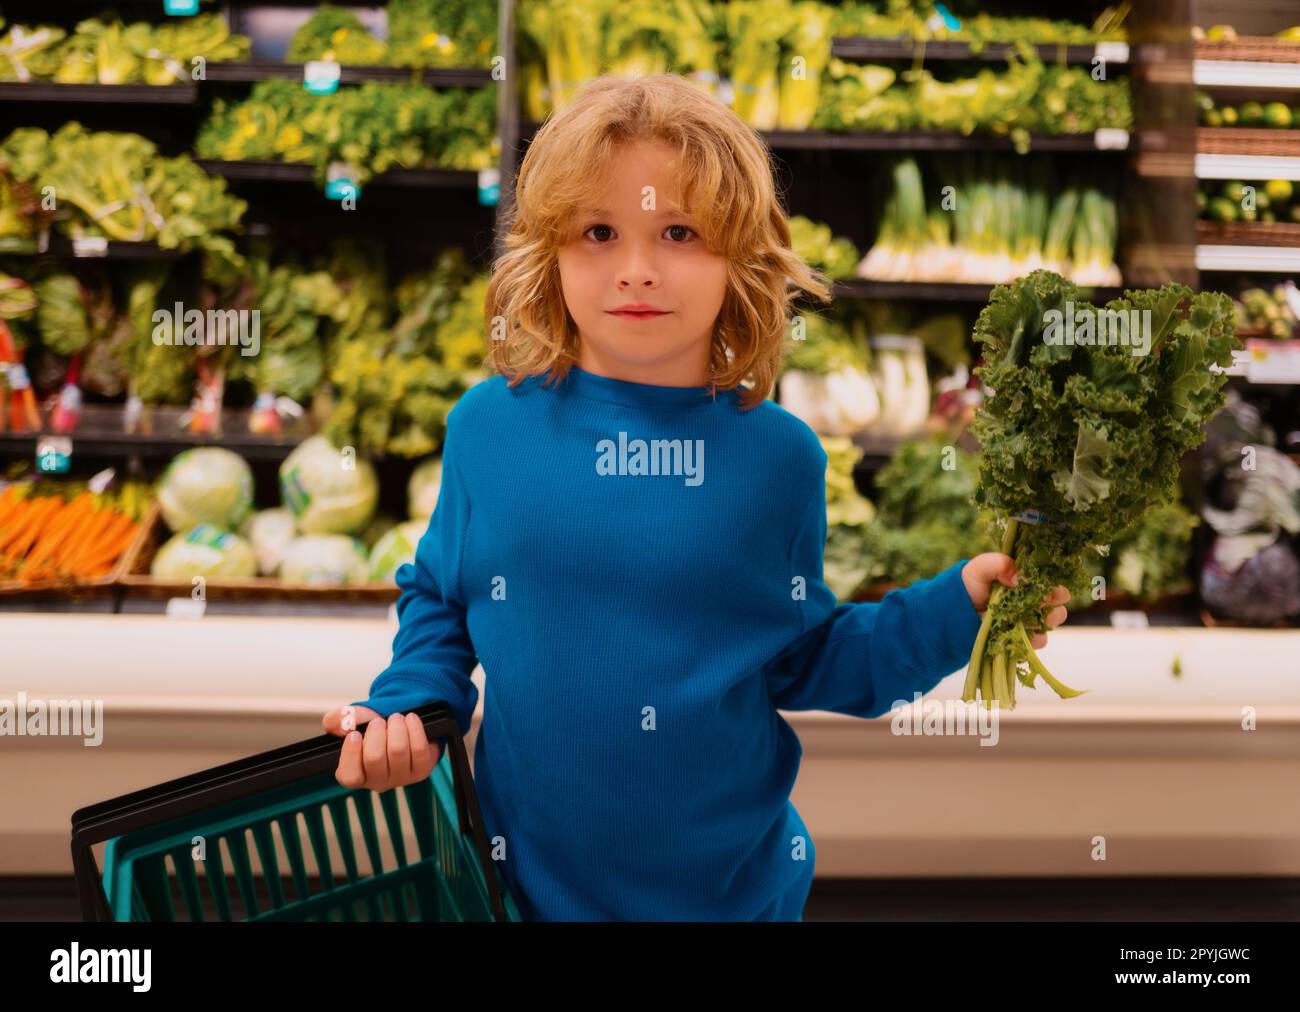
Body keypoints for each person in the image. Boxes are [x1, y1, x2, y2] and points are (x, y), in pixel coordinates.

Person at [321, 74, 1069, 922]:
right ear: (549, 253)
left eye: (680, 232)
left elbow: (802, 655)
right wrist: (413, 706)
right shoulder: (489, 428)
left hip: (731, 900)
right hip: (518, 893)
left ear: (740, 257)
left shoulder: (780, 458)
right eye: (598, 232)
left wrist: (956, 608)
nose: (636, 271)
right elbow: (441, 603)